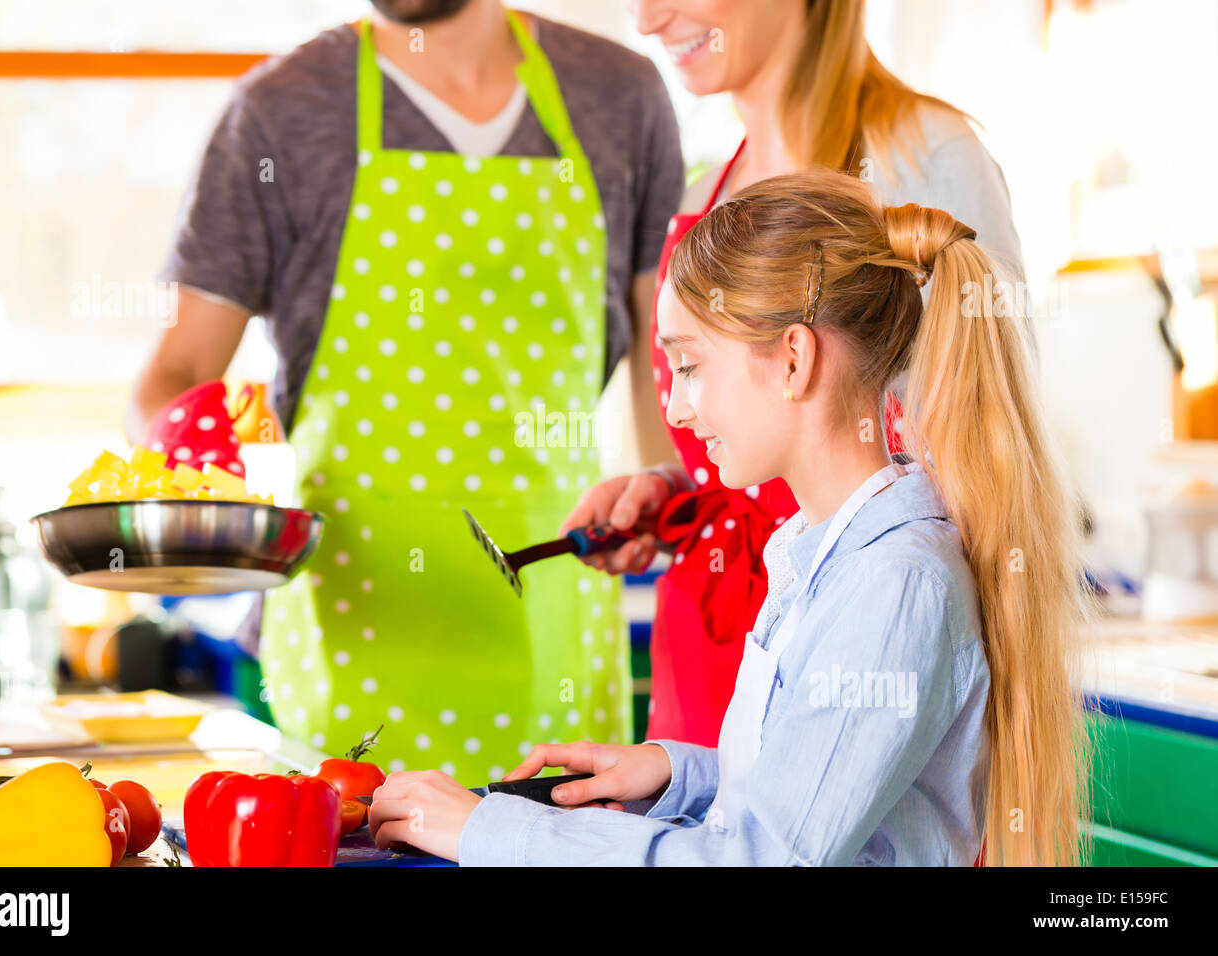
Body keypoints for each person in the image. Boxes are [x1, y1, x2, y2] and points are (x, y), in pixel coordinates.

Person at [366, 171, 1092, 867]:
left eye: (689, 366)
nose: (677, 409)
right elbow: (822, 795)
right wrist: (675, 774)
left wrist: (489, 831)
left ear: (792, 360)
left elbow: (762, 860)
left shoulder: (895, 586)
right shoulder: (816, 553)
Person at [125, 0, 686, 780]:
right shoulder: (279, 113)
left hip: (557, 624)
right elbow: (177, 373)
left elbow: (671, 362)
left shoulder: (620, 95)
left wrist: (672, 498)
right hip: (347, 648)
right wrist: (192, 485)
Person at [561, 0, 1030, 750]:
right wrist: (680, 490)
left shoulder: (926, 159)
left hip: (855, 648)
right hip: (712, 647)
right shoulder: (703, 195)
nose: (649, 20)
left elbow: (987, 441)